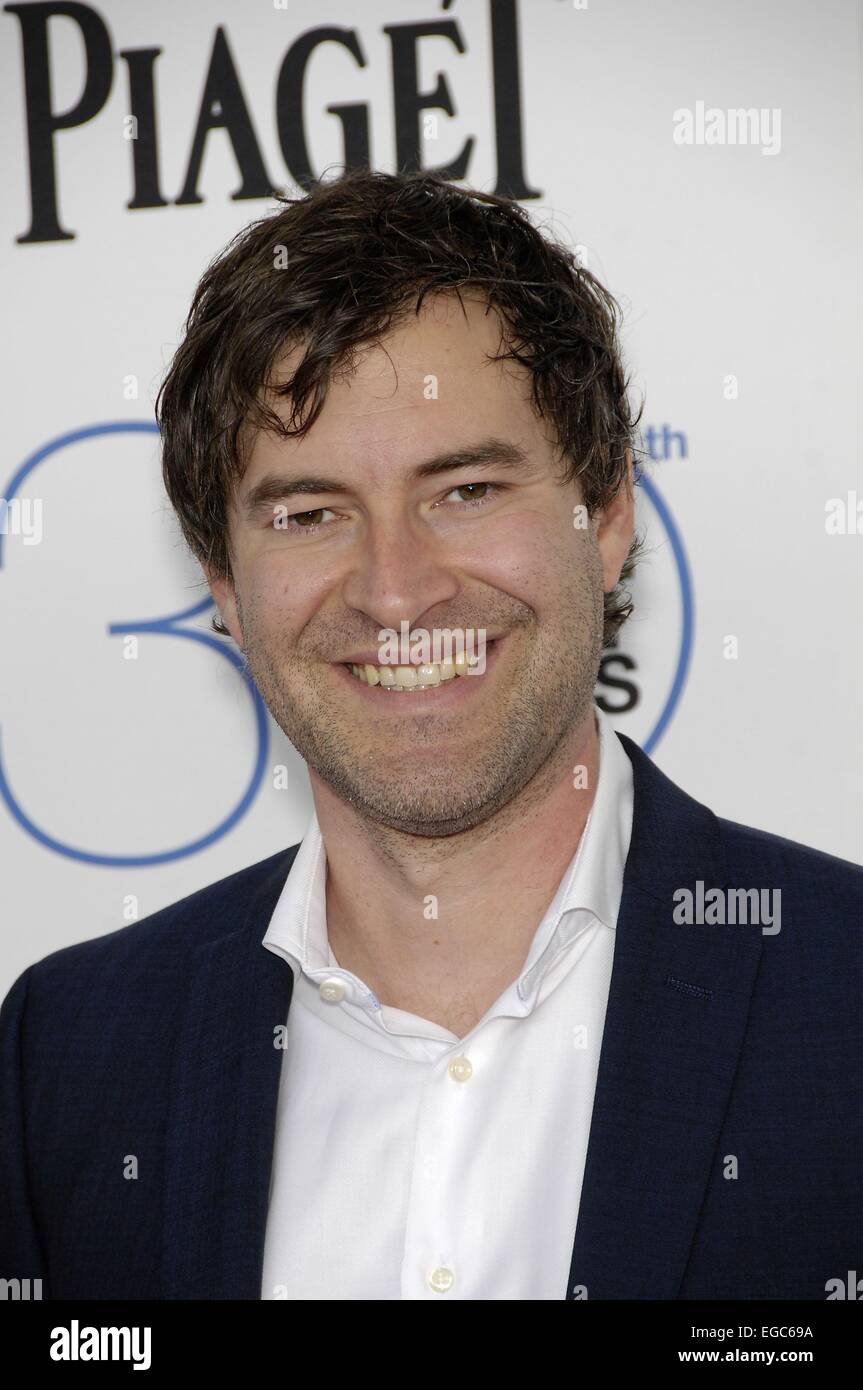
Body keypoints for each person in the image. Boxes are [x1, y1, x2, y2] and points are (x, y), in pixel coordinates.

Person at [1, 169, 860, 1301]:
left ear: (604, 518)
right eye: (309, 513)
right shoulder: (65, 1056)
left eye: (462, 489)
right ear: (220, 583)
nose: (394, 591)